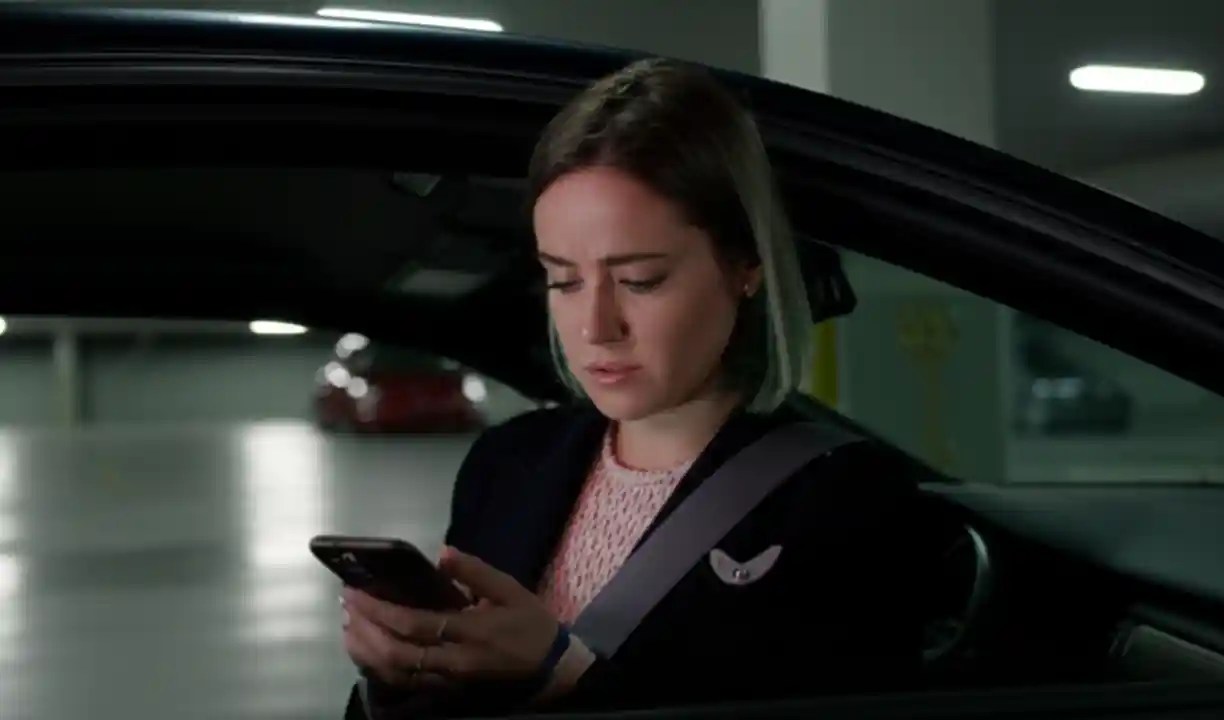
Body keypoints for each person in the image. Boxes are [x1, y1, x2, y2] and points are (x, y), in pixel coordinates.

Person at [341, 57, 923, 719]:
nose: (595, 327)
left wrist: (569, 679)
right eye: (563, 280)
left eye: (640, 280)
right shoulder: (507, 463)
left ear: (745, 267)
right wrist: (398, 680)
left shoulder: (844, 499)